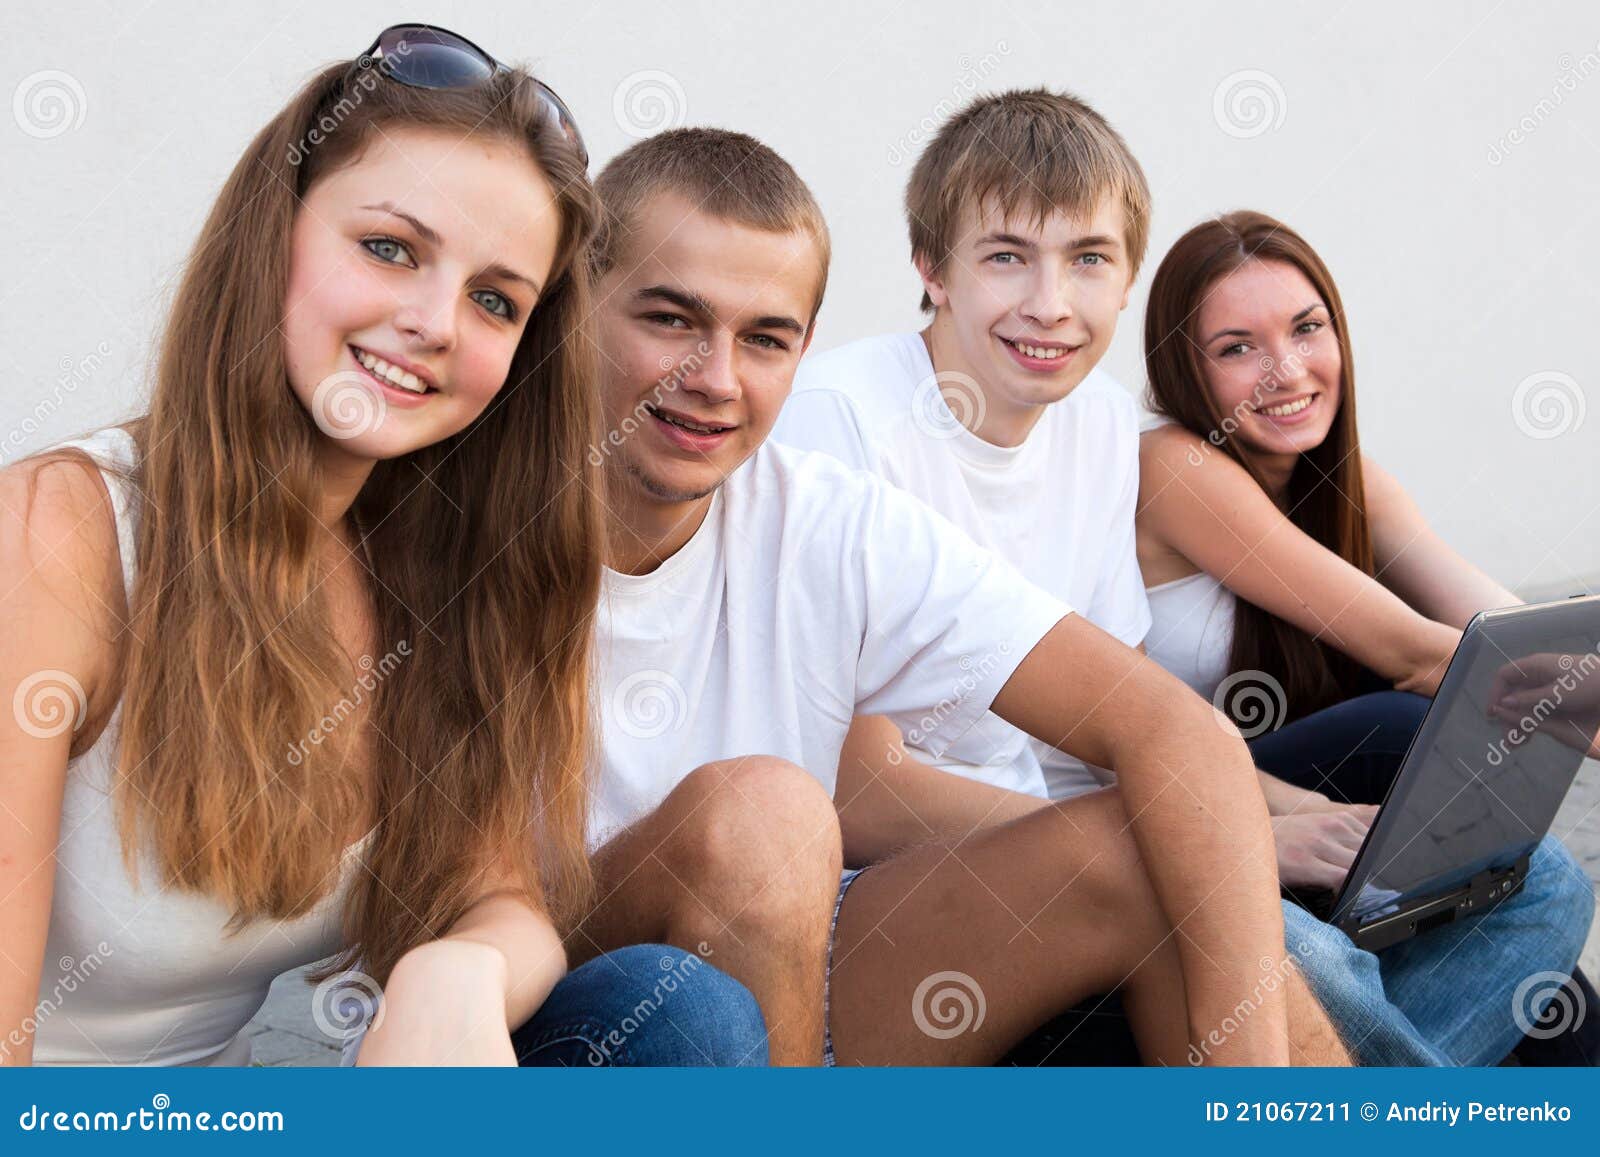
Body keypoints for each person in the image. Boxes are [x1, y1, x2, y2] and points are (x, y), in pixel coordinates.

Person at [772, 90, 1592, 1065]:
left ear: (1126, 281)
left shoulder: (1100, 434)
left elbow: (1135, 734)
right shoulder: (843, 423)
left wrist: (1283, 811)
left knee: (1538, 876)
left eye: (1086, 258)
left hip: (1083, 842)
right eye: (1005, 256)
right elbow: (854, 793)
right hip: (897, 904)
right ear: (929, 268)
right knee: (1250, 917)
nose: (1050, 303)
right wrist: (1228, 840)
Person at [0, 24, 764, 1069]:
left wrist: (461, 968)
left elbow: (502, 896)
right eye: (391, 248)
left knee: (677, 1009)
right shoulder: (61, 532)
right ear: (275, 236)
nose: (436, 321)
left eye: (494, 299)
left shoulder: (428, 573)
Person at [573, 125, 1352, 1067]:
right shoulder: (471, 509)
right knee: (762, 827)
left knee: (1167, 857)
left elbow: (1171, 732)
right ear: (576, 300)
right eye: (669, 319)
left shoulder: (827, 515)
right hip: (568, 981)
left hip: (816, 948)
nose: (716, 379)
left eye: (766, 337)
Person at [1136, 208, 1595, 1063]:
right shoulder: (1174, 466)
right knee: (1399, 722)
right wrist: (1568, 690)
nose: (1286, 370)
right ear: (1183, 370)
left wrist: (1582, 675)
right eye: (1238, 348)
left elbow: (1496, 620)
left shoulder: (1353, 484)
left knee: (1558, 1002)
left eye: (1307, 329)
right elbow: (1419, 653)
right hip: (1192, 810)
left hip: (1320, 821)